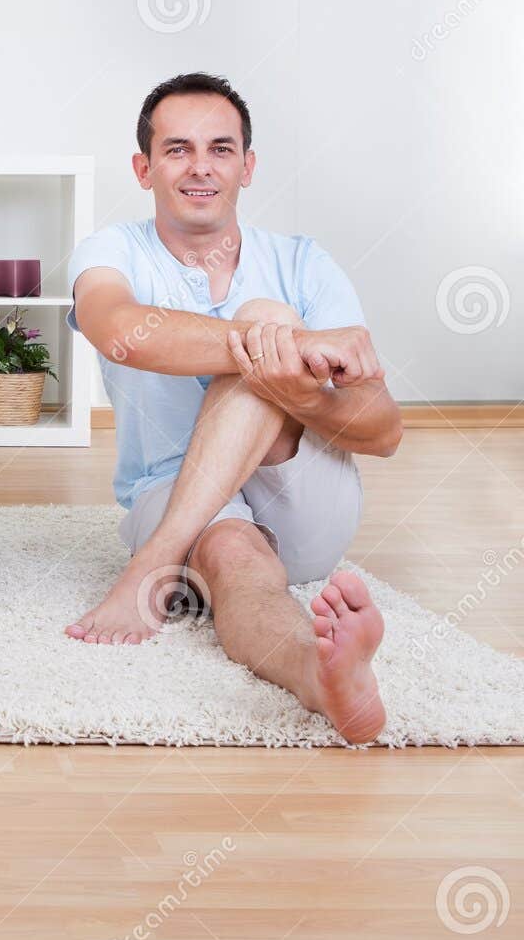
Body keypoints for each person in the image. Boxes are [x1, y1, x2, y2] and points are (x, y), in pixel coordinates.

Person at [65, 72, 401, 743]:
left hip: (303, 499)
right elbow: (118, 331)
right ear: (144, 167)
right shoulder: (113, 252)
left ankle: (149, 568)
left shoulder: (304, 262)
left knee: (264, 318)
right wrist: (296, 348)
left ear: (247, 167)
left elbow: (384, 428)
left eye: (221, 149)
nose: (200, 167)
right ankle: (323, 673)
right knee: (235, 559)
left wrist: (293, 385)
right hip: (182, 500)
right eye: (178, 149)